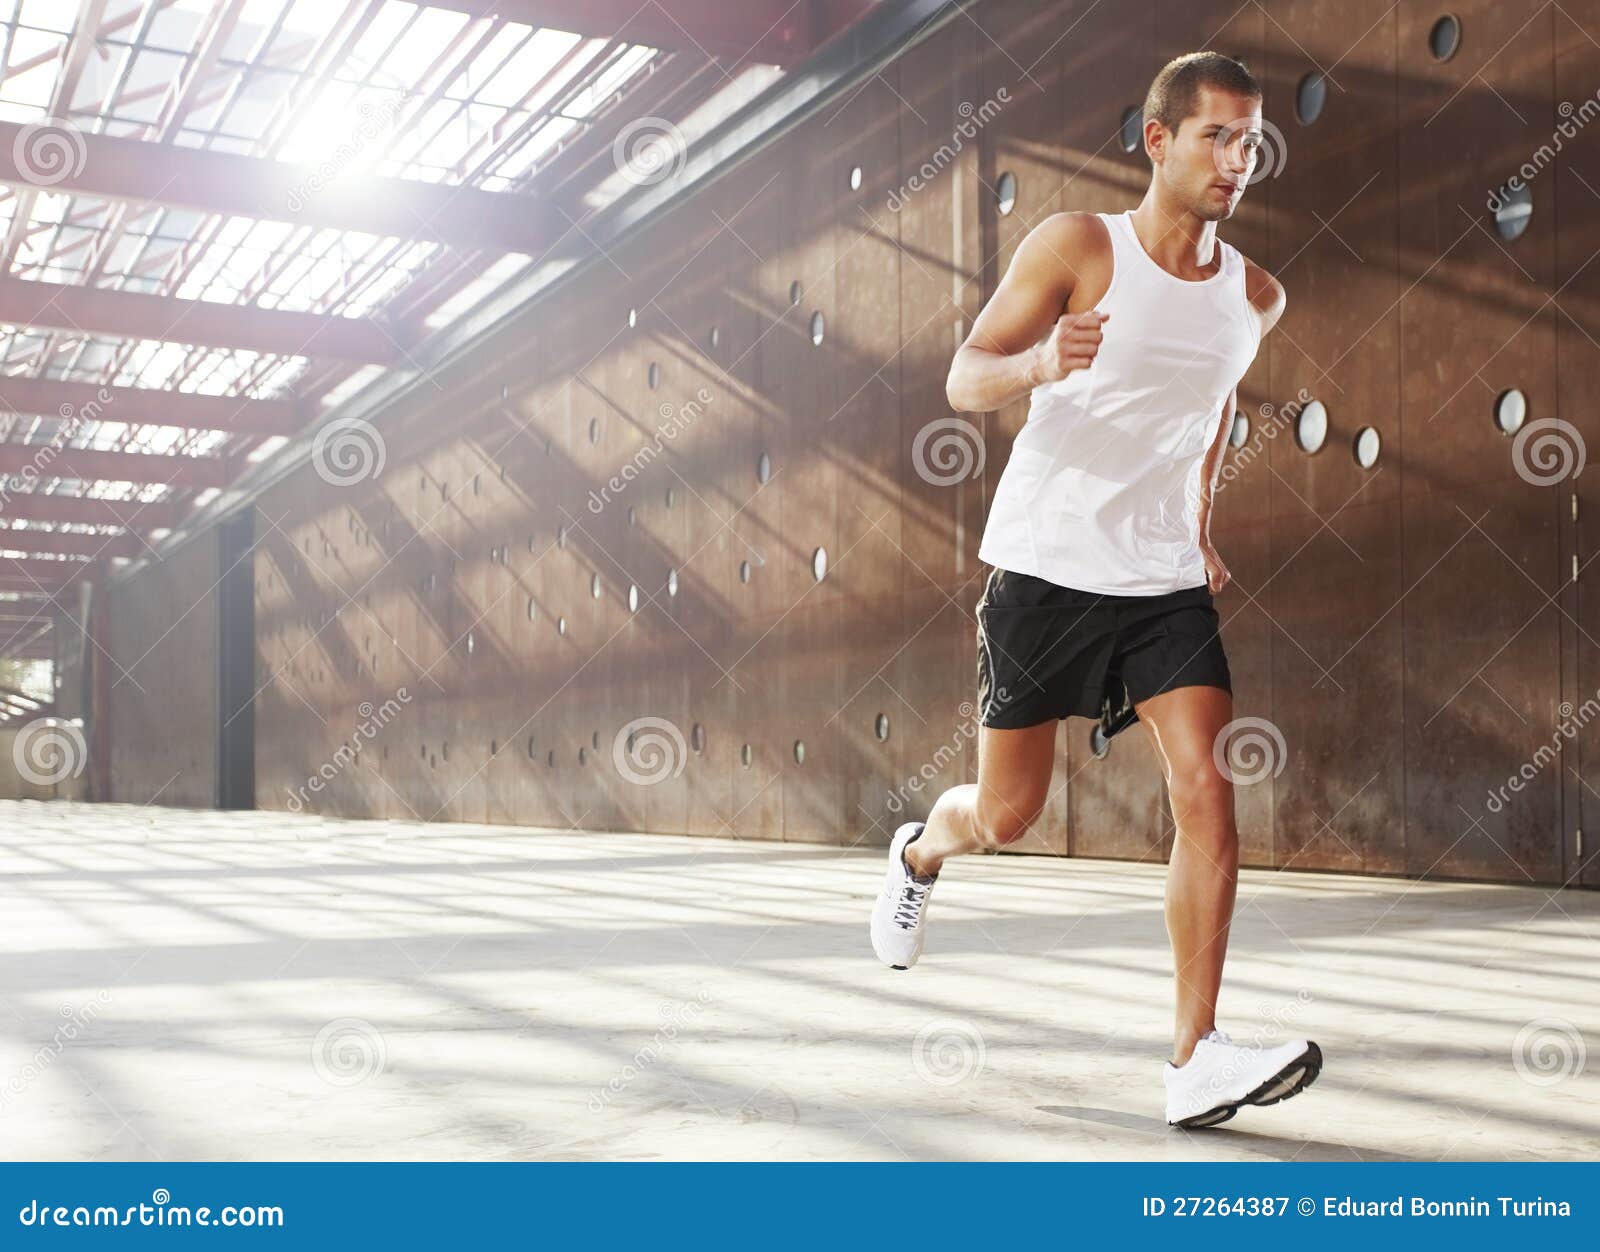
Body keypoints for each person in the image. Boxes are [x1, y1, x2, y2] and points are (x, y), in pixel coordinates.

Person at [869, 51, 1321, 1129]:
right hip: (1044, 567)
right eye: (1215, 135)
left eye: (1250, 140)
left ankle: (1194, 1057)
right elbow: (963, 375)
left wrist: (1199, 524)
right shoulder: (1078, 244)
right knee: (1009, 812)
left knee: (1208, 790)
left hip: (1161, 581)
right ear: (1157, 141)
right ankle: (921, 851)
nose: (1238, 158)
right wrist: (1038, 366)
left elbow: (1210, 411)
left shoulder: (1254, 293)